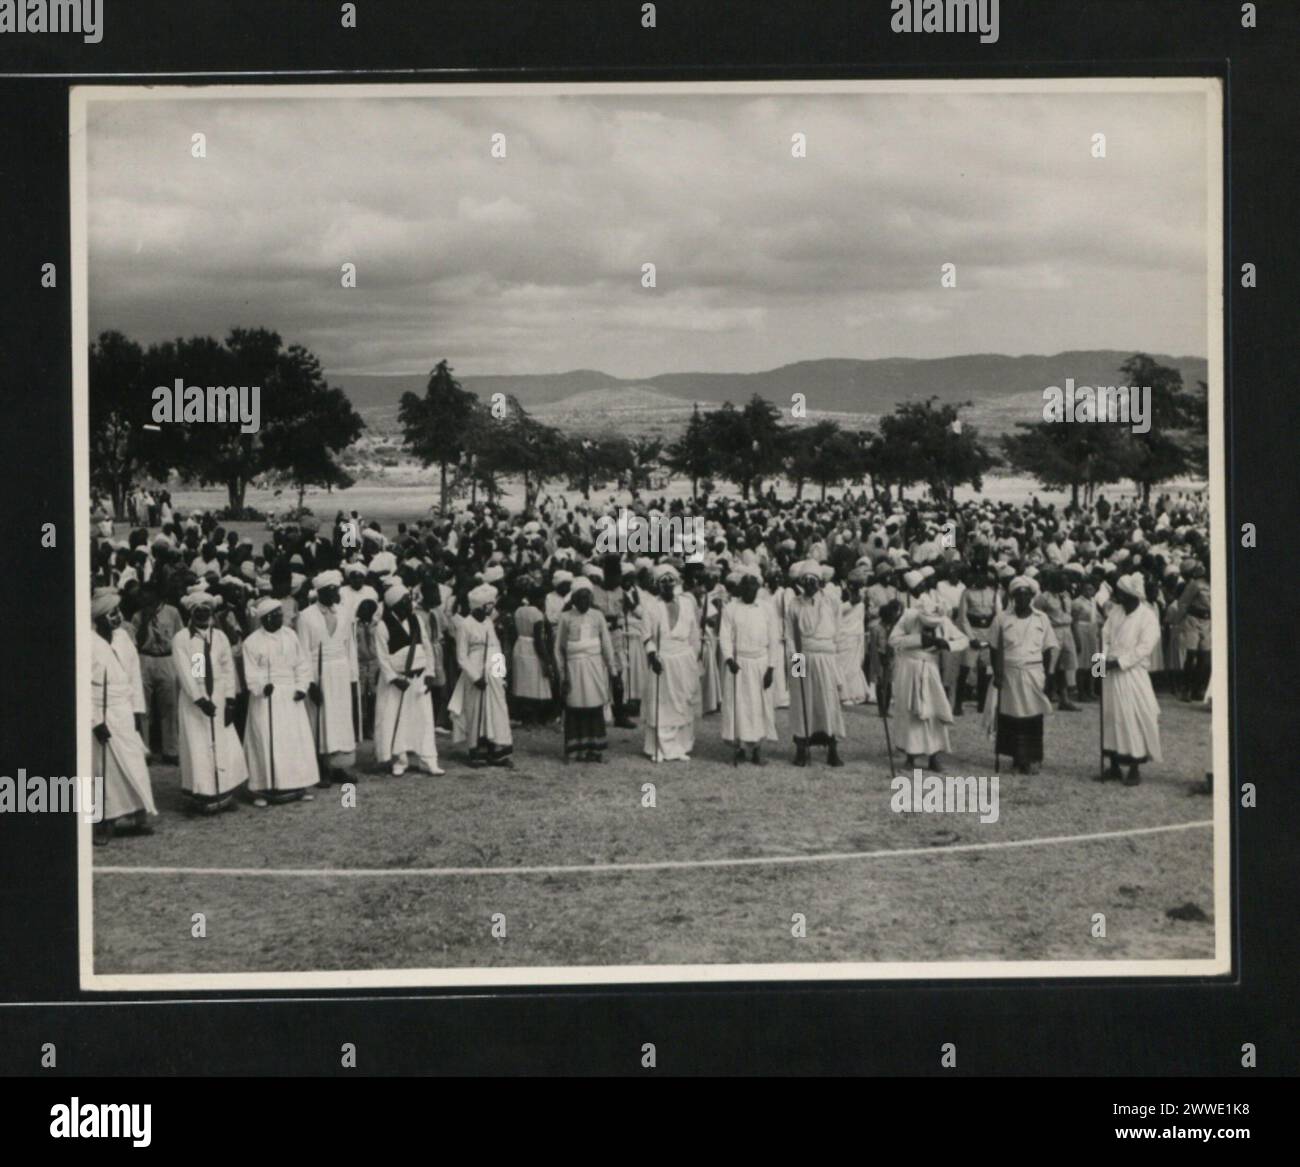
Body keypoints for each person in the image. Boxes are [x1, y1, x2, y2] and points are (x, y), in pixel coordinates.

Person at [90, 589, 157, 845]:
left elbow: (133, 677)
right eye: (112, 613)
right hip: (102, 709)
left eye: (118, 612)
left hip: (126, 707)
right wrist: (95, 721)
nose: (118, 617)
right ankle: (102, 822)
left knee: (135, 762)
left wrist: (138, 711)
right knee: (101, 768)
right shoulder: (89, 642)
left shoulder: (124, 639)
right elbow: (82, 686)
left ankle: (137, 815)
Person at [172, 588, 248, 812]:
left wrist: (230, 700)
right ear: (191, 613)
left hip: (219, 696)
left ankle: (224, 793)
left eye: (206, 610)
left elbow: (226, 669)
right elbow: (190, 674)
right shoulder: (184, 639)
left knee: (223, 744)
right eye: (198, 611)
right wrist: (200, 699)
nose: (203, 614)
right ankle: (203, 796)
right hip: (196, 702)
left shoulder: (220, 637)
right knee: (199, 746)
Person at [888, 572, 969, 771]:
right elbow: (893, 640)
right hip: (910, 667)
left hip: (929, 667)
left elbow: (963, 639)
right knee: (910, 711)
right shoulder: (909, 616)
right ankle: (911, 755)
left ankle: (933, 755)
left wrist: (946, 644)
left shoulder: (941, 620)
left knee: (932, 711)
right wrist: (918, 640)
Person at [242, 597, 319, 805]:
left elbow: (302, 664)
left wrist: (302, 686)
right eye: (274, 616)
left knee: (294, 741)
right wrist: (260, 687)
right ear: (264, 619)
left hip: (290, 695)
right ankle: (263, 788)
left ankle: (298, 785)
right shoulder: (251, 642)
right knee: (267, 739)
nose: (279, 620)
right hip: (266, 698)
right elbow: (251, 672)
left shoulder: (291, 636)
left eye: (280, 615)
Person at [374, 582, 445, 777]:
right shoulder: (382, 625)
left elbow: (427, 647)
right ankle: (400, 759)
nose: (410, 603)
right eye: (405, 601)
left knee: (423, 718)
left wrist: (430, 672)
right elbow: (382, 657)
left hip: (419, 677)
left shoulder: (416, 620)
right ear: (395, 604)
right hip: (398, 681)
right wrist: (393, 678)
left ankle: (428, 759)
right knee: (397, 720)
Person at [296, 570, 359, 785]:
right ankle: (321, 767)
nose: (335, 594)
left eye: (336, 589)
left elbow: (350, 646)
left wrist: (352, 677)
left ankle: (339, 766)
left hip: (340, 671)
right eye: (330, 590)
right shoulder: (306, 616)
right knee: (320, 719)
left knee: (340, 718)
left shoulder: (344, 612)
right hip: (317, 671)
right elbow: (302, 652)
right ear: (320, 591)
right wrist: (309, 683)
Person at [988, 577, 1056, 775]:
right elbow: (994, 648)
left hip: (1034, 672)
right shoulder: (1001, 618)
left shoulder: (1041, 618)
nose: (1022, 598)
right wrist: (997, 673)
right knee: (1011, 715)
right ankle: (1017, 757)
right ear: (1012, 597)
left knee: (1032, 714)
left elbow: (1048, 649)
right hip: (1010, 672)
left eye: (1026, 594)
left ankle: (1031, 757)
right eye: (1018, 595)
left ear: (1032, 596)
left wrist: (1048, 676)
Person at [1101, 572, 1163, 786]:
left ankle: (1135, 766)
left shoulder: (1147, 617)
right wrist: (1101, 662)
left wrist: (1119, 662)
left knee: (1133, 717)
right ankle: (1114, 765)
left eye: (1121, 593)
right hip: (1110, 673)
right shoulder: (1116, 612)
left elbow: (1145, 648)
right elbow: (1105, 636)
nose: (1117, 596)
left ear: (1131, 595)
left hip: (1132, 674)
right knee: (1111, 716)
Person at [784, 560, 846, 767]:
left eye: (814, 581)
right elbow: (790, 637)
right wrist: (796, 669)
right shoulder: (794, 604)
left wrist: (836, 658)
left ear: (819, 583)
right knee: (803, 703)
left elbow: (837, 629)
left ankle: (832, 748)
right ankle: (801, 748)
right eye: (806, 581)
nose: (810, 585)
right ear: (801, 583)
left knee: (828, 702)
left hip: (826, 657)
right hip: (804, 656)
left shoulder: (830, 602)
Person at [449, 583, 514, 768]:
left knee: (497, 710)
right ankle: (476, 752)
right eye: (489, 605)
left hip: (493, 672)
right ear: (480, 605)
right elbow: (461, 656)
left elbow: (496, 647)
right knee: (476, 711)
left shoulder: (488, 623)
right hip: (475, 673)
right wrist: (475, 676)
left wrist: (501, 675)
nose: (492, 608)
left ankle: (498, 751)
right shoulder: (465, 625)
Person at [719, 568, 780, 764]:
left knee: (759, 707)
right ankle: (739, 747)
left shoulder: (767, 608)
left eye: (753, 586)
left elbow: (774, 639)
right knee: (740, 707)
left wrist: (771, 668)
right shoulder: (731, 608)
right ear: (740, 588)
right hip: (739, 664)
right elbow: (725, 636)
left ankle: (757, 749)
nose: (749, 590)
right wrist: (729, 659)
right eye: (745, 586)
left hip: (761, 664)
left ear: (759, 588)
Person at [641, 563, 701, 763]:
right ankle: (661, 747)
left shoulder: (687, 603)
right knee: (662, 704)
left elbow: (694, 634)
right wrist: (652, 657)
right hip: (662, 659)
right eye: (663, 582)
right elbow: (646, 637)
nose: (667, 585)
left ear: (676, 582)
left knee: (683, 703)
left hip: (684, 659)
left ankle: (681, 746)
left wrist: (694, 656)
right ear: (657, 585)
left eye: (670, 581)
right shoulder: (651, 606)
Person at [556, 576, 619, 762]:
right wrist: (562, 675)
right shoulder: (565, 618)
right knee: (575, 706)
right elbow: (559, 648)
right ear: (573, 599)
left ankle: (595, 749)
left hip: (594, 667)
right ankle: (575, 750)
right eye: (580, 598)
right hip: (574, 668)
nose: (584, 602)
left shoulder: (598, 616)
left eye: (587, 598)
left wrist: (613, 671)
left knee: (594, 705)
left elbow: (607, 644)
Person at [130, 580, 182, 763]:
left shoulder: (172, 612)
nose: (143, 597)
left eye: (147, 593)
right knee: (144, 708)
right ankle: (145, 750)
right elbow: (137, 641)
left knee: (169, 706)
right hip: (145, 658)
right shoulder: (138, 616)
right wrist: (145, 620)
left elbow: (179, 638)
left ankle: (171, 750)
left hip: (166, 658)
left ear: (156, 595)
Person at [511, 587, 554, 726]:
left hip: (519, 645)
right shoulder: (537, 615)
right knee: (534, 681)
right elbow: (539, 639)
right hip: (531, 648)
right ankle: (533, 717)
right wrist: (547, 660)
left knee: (522, 681)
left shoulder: (519, 610)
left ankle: (525, 717)